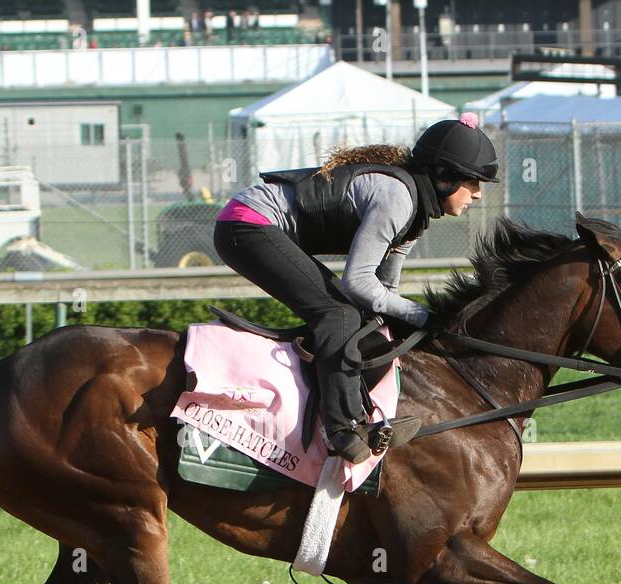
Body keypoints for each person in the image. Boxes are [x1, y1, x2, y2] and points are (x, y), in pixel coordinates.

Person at [212, 113, 499, 464]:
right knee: (338, 313)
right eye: (473, 183)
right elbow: (358, 282)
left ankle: (363, 408)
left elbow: (383, 292)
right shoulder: (398, 199)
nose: (479, 194)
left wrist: (401, 323)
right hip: (247, 224)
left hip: (256, 225)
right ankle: (344, 429)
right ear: (444, 178)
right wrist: (423, 314)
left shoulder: (415, 217)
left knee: (362, 316)